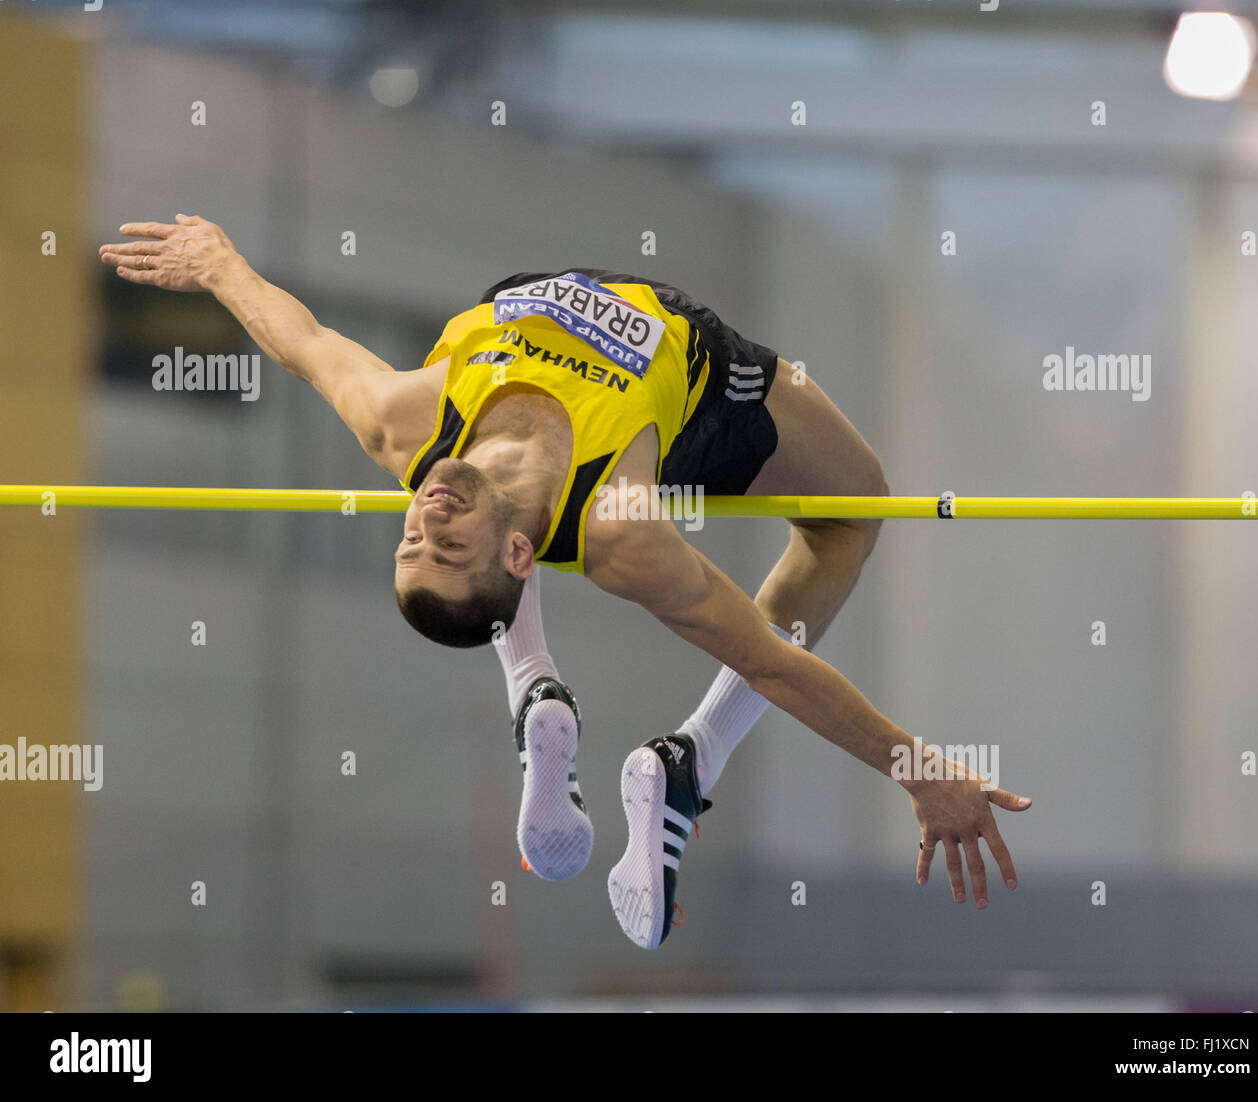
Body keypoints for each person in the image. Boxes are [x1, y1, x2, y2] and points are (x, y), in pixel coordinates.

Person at [100, 215, 1032, 951]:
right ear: (512, 561)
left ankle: (533, 686)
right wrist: (918, 771)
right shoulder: (629, 536)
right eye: (446, 540)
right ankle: (689, 763)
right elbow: (773, 664)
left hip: (524, 313)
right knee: (854, 508)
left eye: (411, 537)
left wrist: (217, 263)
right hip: (697, 383)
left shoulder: (400, 428)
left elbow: (298, 338)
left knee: (508, 498)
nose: (425, 516)